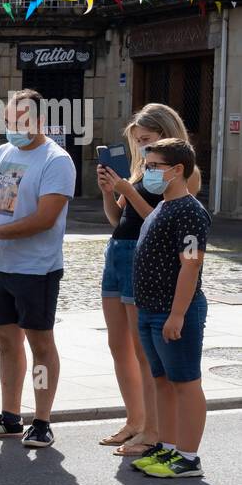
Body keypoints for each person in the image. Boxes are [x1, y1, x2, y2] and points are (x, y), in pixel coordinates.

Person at [0, 89, 76, 447]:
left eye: (21, 121)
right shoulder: (1, 153)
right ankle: (10, 416)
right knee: (6, 341)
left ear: (40, 121)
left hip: (37, 268)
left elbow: (44, 219)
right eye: (8, 121)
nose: (13, 127)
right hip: (0, 264)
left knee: (40, 343)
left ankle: (42, 420)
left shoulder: (57, 161)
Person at [95, 104, 201, 457]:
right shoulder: (142, 170)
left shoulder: (183, 176)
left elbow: (155, 219)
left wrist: (129, 187)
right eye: (137, 141)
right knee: (117, 345)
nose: (141, 148)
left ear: (166, 134)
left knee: (144, 352)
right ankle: (135, 420)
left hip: (146, 261)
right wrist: (111, 191)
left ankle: (153, 432)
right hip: (119, 251)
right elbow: (119, 218)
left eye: (147, 140)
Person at [127, 138, 210, 479]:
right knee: (161, 379)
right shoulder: (162, 207)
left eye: (154, 166)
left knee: (185, 382)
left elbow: (190, 266)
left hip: (174, 312)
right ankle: (169, 446)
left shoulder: (190, 212)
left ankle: (189, 457)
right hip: (149, 309)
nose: (147, 172)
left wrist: (177, 314)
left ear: (177, 170)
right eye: (147, 166)